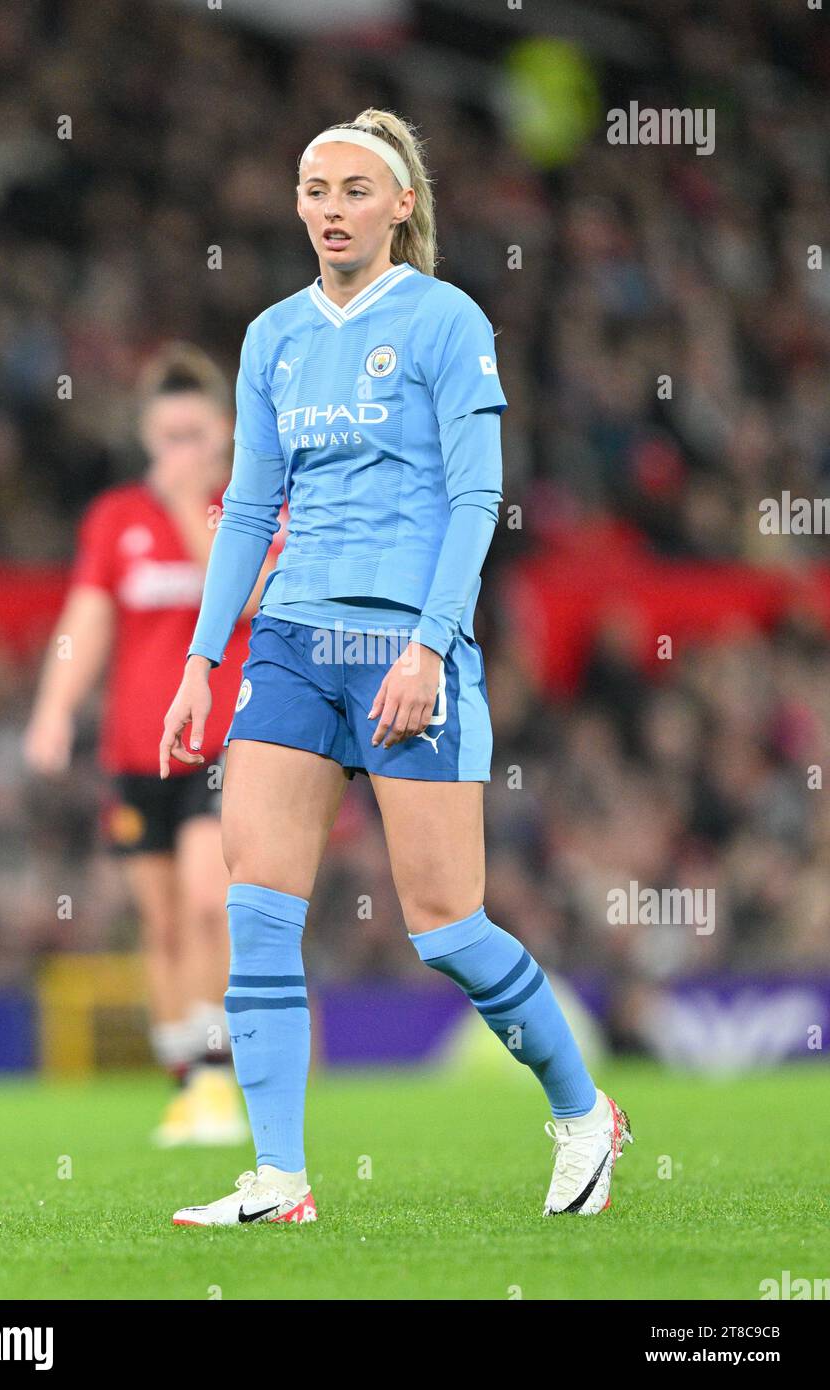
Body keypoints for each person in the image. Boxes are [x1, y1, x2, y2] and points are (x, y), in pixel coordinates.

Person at [160, 110, 633, 1225]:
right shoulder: (271, 334)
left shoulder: (443, 320)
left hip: (403, 644)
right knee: (259, 910)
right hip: (288, 642)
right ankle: (279, 1179)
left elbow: (477, 497)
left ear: (401, 204)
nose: (331, 208)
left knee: (446, 926)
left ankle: (581, 1112)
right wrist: (201, 657)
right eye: (314, 188)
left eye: (355, 189)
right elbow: (248, 508)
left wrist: (429, 640)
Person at [25, 343, 270, 1146]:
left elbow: (250, 602)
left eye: (194, 436)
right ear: (145, 436)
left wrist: (188, 512)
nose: (181, 454)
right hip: (137, 754)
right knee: (161, 925)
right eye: (167, 438)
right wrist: (55, 708)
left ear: (226, 434)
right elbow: (86, 621)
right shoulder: (114, 520)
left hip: (224, 744)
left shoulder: (251, 508)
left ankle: (214, 1076)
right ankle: (186, 1083)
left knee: (209, 903)